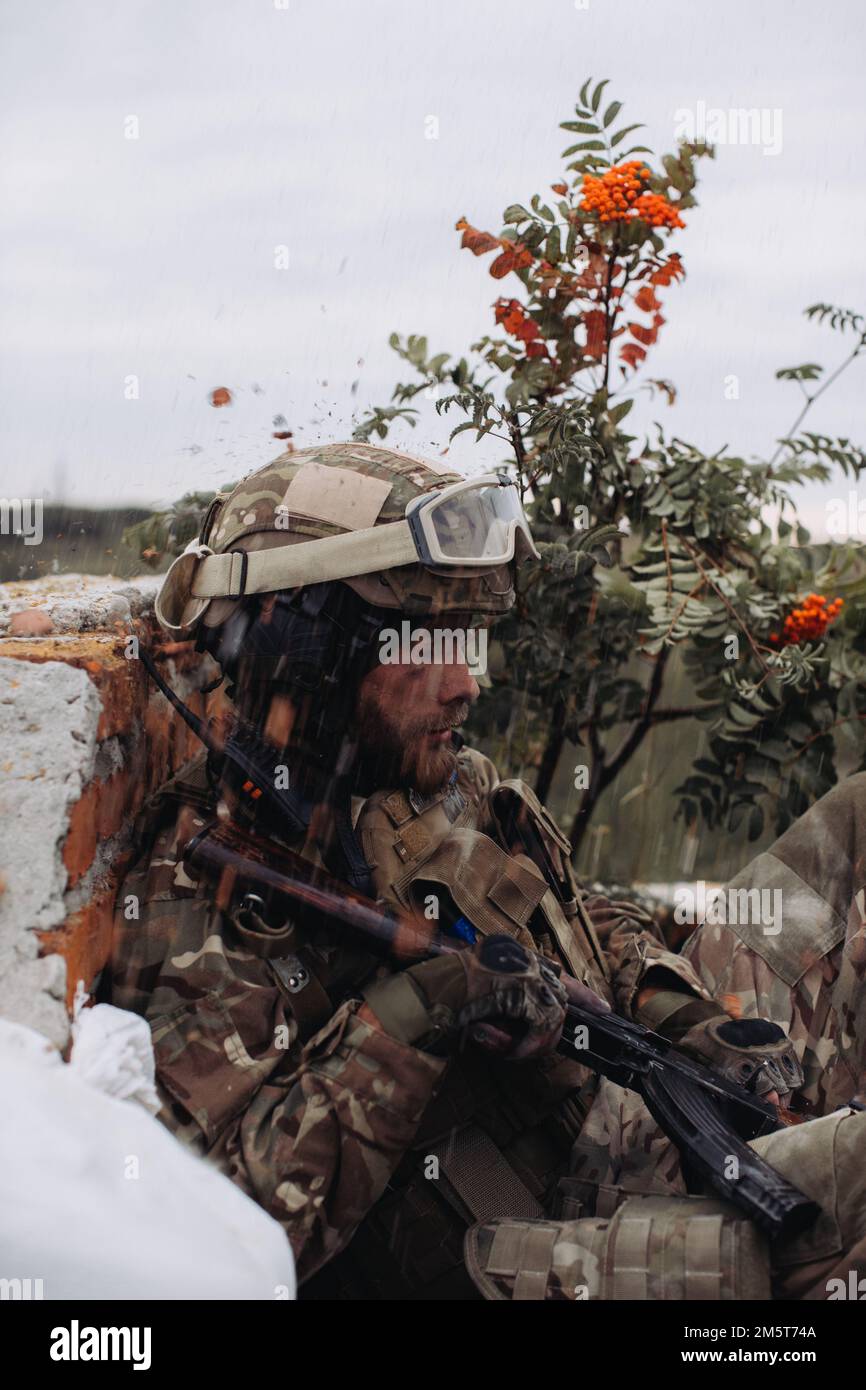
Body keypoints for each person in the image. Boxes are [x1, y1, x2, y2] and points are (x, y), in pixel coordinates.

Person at [108, 441, 861, 1300]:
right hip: (546, 1225)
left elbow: (573, 908)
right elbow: (219, 1233)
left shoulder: (435, 775)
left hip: (633, 1095)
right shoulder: (201, 899)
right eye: (423, 644)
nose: (464, 685)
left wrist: (674, 1007)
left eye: (467, 641)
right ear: (303, 648)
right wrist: (417, 1013)